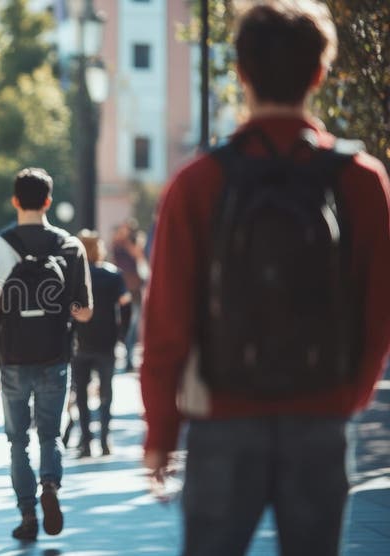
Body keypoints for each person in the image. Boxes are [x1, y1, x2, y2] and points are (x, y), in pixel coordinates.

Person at [141, 2, 390, 555]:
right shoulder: (361, 180)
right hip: (321, 412)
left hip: (222, 417)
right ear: (320, 74)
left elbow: (166, 324)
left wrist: (161, 433)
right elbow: (379, 310)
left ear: (241, 73)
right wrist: (349, 397)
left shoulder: (197, 182)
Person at [0, 168, 93, 541]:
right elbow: (85, 311)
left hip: (13, 358)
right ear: (48, 201)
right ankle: (50, 485)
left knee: (18, 440)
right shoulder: (71, 246)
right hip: (55, 354)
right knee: (50, 434)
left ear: (15, 201)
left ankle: (27, 515)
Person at [71, 230, 132, 458]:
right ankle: (105, 439)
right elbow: (126, 305)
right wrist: (122, 334)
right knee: (106, 392)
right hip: (107, 341)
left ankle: (86, 441)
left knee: (81, 394)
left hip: (80, 342)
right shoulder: (113, 275)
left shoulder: (74, 276)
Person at [111, 219, 147, 372]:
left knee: (133, 325)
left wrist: (129, 243)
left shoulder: (136, 242)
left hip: (135, 289)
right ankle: (127, 358)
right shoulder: (117, 244)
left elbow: (139, 257)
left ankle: (130, 358)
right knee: (125, 324)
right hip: (122, 289)